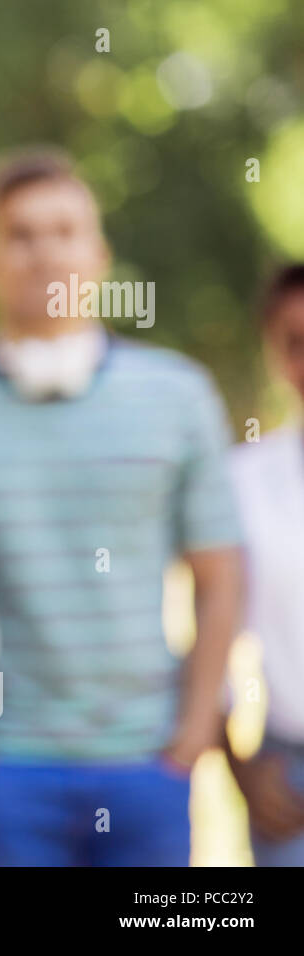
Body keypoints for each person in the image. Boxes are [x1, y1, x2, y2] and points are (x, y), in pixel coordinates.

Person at [0, 146, 244, 866]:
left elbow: (220, 573)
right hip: (5, 768)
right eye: (19, 234)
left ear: (99, 253)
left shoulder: (179, 397)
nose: (43, 252)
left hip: (148, 762)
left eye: (64, 231)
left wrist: (194, 727)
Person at [225, 264, 304, 865]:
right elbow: (213, 625)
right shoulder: (244, 481)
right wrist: (240, 765)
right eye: (295, 343)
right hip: (288, 776)